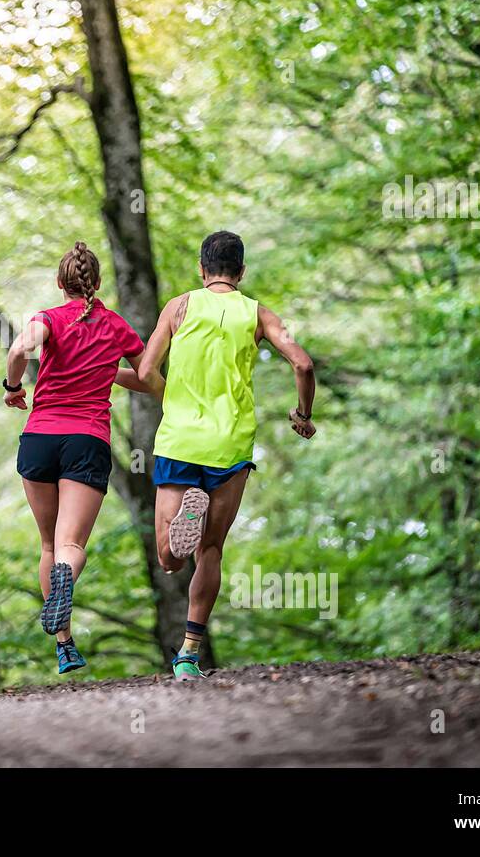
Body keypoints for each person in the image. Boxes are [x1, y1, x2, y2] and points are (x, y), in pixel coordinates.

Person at [138, 230, 317, 681]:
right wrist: (303, 415)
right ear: (241, 273)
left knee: (168, 559)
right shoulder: (257, 314)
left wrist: (156, 390)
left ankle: (182, 525)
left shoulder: (179, 307)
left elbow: (145, 370)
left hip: (179, 439)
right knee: (211, 550)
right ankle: (189, 654)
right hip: (230, 446)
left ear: (201, 269)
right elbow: (303, 363)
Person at [4, 242, 157, 674]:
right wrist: (110, 370)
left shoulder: (48, 319)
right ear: (99, 283)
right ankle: (65, 582)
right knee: (70, 547)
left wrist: (13, 388)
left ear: (60, 283)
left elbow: (18, 352)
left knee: (48, 544)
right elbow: (148, 380)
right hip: (86, 440)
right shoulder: (116, 326)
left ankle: (64, 645)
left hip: (39, 438)